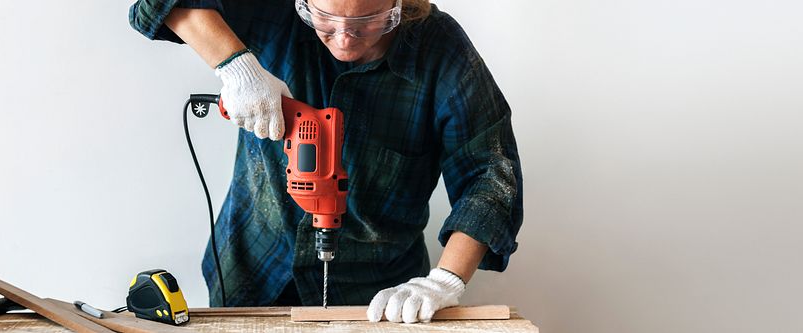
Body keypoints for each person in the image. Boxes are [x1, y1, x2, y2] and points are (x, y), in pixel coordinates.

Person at [128, 0, 523, 323]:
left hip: (379, 295)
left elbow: (489, 173)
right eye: (326, 20)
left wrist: (443, 281)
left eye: (367, 22)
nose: (345, 41)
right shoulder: (270, 11)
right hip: (253, 271)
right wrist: (237, 67)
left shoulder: (440, 49)